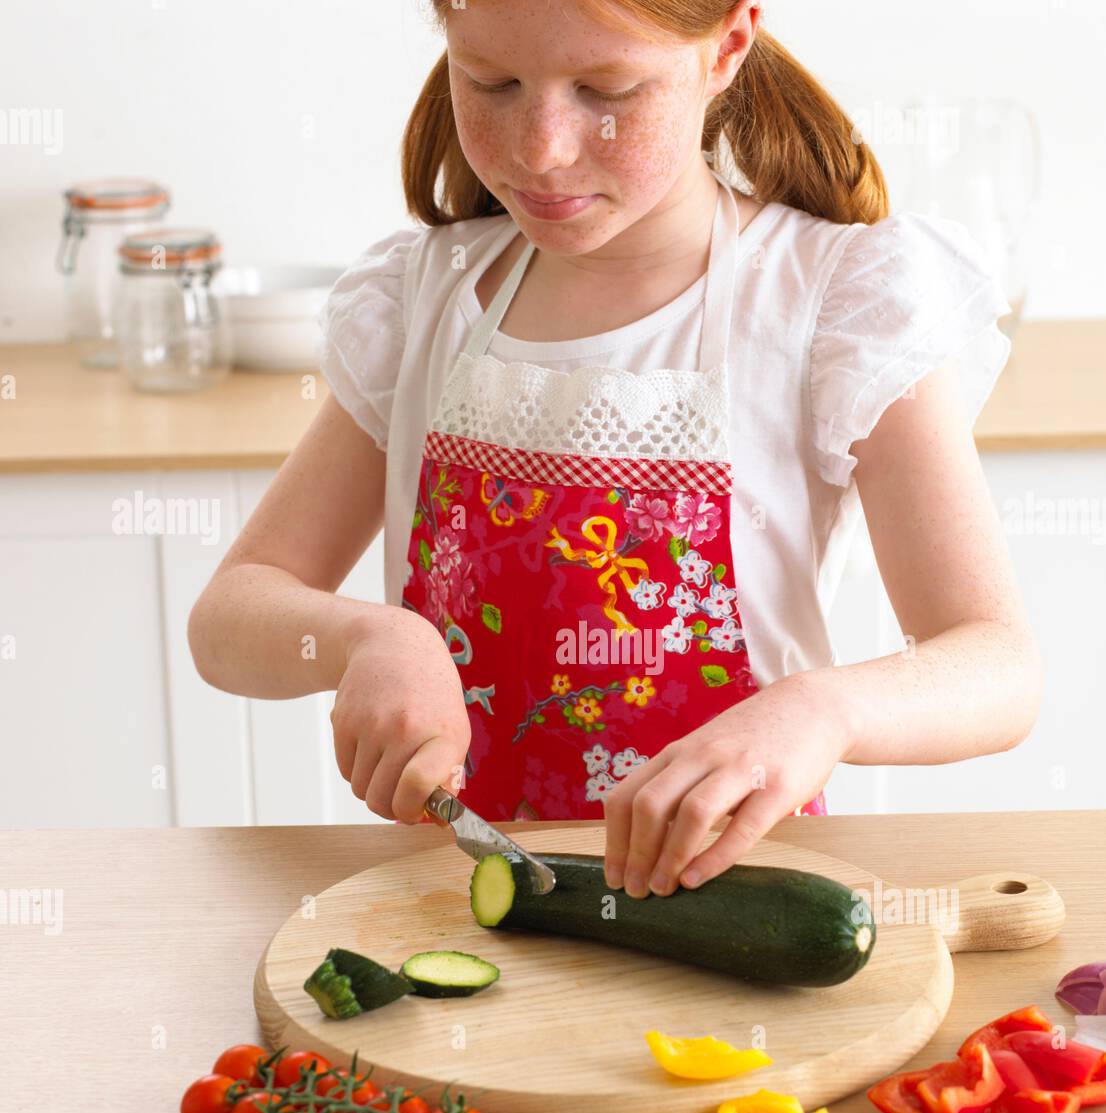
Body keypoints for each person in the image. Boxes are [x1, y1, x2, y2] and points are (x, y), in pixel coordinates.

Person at [188, 0, 1041, 902]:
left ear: (728, 47)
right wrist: (365, 638)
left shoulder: (828, 300)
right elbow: (228, 618)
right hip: (461, 900)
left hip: (737, 902)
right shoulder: (422, 300)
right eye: (491, 82)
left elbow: (996, 663)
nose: (541, 146)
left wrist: (822, 709)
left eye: (606, 89)